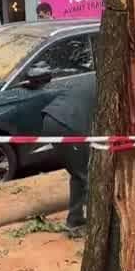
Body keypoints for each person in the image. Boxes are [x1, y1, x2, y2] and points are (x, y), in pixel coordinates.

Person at [40, 72, 97, 234]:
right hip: (68, 124)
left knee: (78, 172)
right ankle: (94, 226)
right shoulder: (113, 88)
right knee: (89, 176)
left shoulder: (96, 77)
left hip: (50, 119)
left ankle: (76, 220)